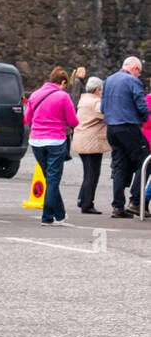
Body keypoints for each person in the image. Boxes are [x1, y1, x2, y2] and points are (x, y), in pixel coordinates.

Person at [25, 66, 79, 225]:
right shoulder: (63, 96)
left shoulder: (35, 95)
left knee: (50, 178)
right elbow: (73, 122)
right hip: (55, 140)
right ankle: (47, 217)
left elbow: (28, 119)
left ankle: (60, 214)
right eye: (65, 84)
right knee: (53, 180)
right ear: (62, 82)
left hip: (36, 141)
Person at [100, 56, 148, 218]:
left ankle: (118, 206)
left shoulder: (108, 80)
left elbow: (102, 107)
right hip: (128, 125)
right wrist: (144, 119)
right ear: (134, 68)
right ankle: (135, 201)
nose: (138, 75)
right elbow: (141, 105)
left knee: (119, 165)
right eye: (139, 72)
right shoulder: (132, 81)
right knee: (146, 160)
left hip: (111, 127)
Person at [73, 75, 109, 215]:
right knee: (92, 173)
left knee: (88, 172)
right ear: (98, 90)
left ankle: (82, 199)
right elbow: (108, 115)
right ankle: (87, 204)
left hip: (82, 140)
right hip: (91, 143)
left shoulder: (84, 100)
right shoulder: (96, 103)